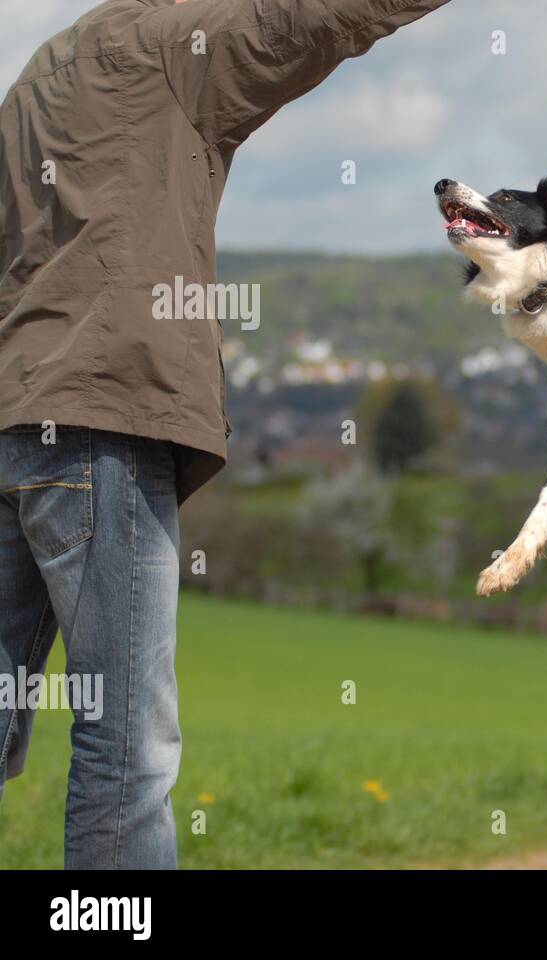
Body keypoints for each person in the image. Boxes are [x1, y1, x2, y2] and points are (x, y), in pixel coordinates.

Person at [0, 0, 454, 869]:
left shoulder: (39, 69)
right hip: (104, 417)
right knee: (126, 745)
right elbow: (316, 15)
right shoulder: (176, 45)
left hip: (14, 417)